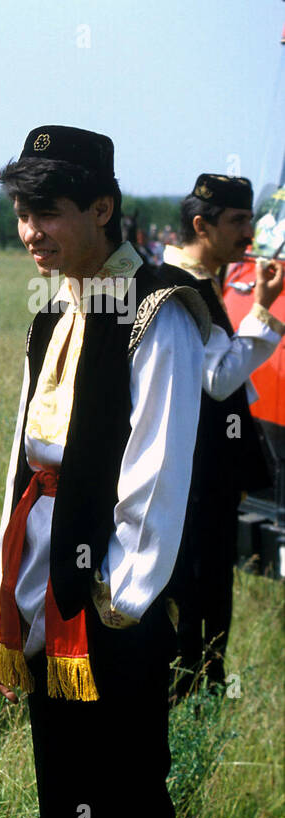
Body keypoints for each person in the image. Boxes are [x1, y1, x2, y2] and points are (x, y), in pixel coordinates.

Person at [0, 127, 212, 818]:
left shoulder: (158, 308)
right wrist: (8, 597)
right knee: (66, 795)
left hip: (113, 607)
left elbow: (156, 477)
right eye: (22, 213)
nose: (30, 232)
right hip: (44, 590)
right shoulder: (53, 313)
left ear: (103, 208)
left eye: (47, 212)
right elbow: (22, 468)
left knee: (126, 799)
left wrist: (116, 602)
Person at [164, 173, 284, 698]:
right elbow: (217, 381)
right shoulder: (185, 287)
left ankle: (199, 690)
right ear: (201, 225)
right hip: (193, 474)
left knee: (206, 587)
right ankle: (192, 693)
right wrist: (264, 310)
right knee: (198, 587)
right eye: (237, 222)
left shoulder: (198, 280)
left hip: (201, 470)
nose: (248, 235)